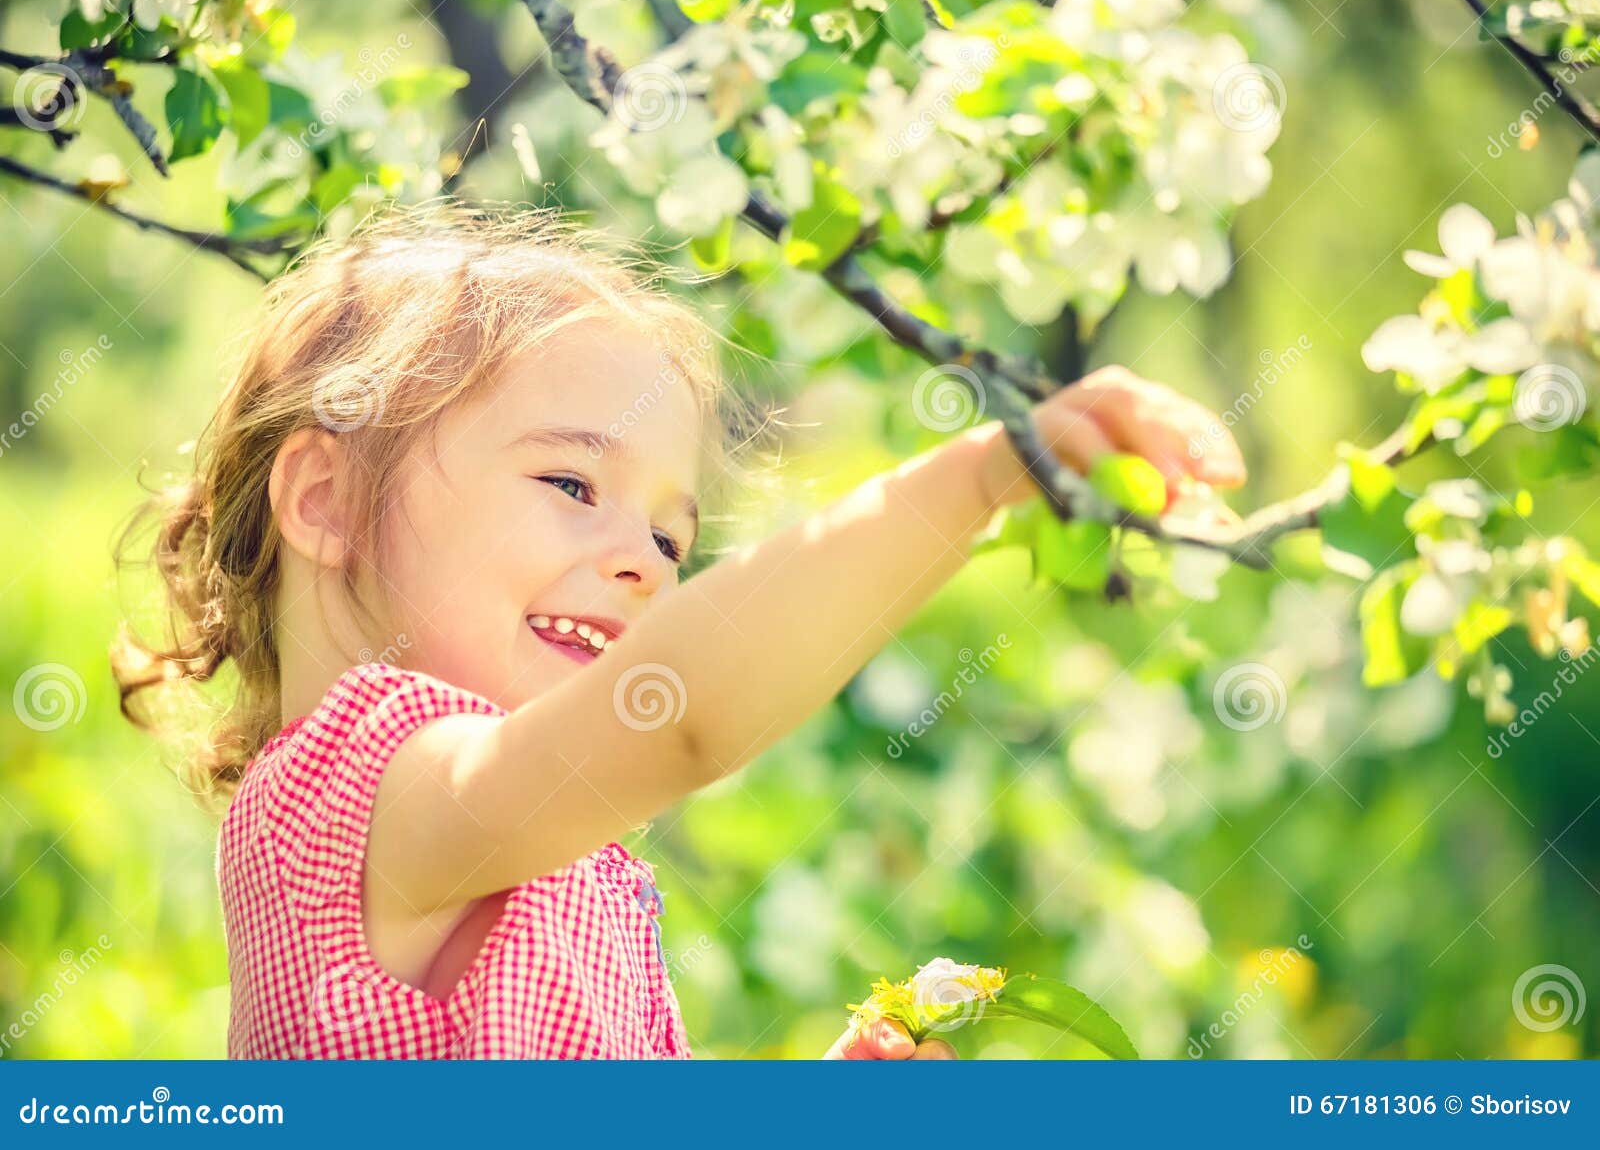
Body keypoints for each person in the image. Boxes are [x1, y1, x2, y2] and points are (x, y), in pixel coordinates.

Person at [112, 206, 1245, 1059]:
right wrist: (982, 476)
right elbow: (685, 715)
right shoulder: (351, 793)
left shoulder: (541, 849)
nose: (641, 562)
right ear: (328, 501)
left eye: (671, 536)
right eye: (570, 480)